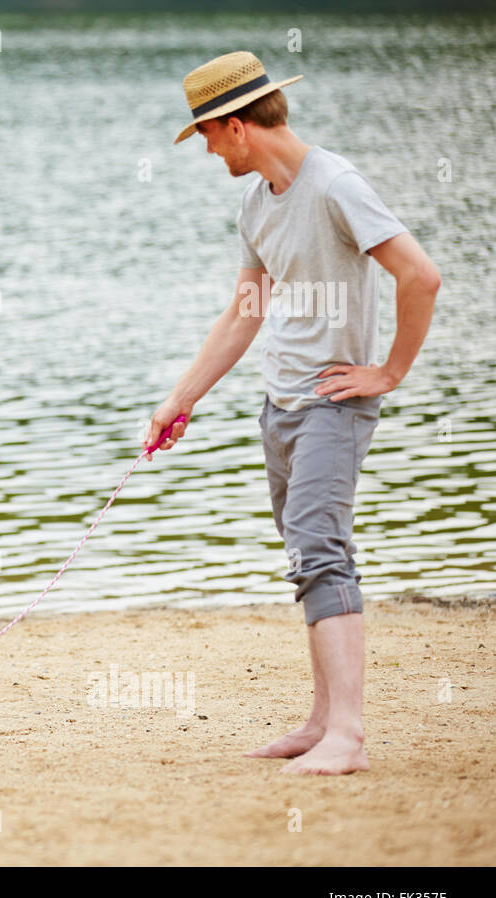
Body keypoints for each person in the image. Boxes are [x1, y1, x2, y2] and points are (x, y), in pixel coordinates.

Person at [145, 52, 440, 774]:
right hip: (280, 407)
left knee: (319, 545)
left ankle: (348, 735)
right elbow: (245, 316)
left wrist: (389, 372)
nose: (208, 150)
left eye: (208, 136)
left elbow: (420, 275)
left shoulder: (336, 184)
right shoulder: (257, 203)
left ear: (237, 126)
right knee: (308, 554)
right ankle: (321, 720)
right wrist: (179, 400)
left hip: (336, 404)